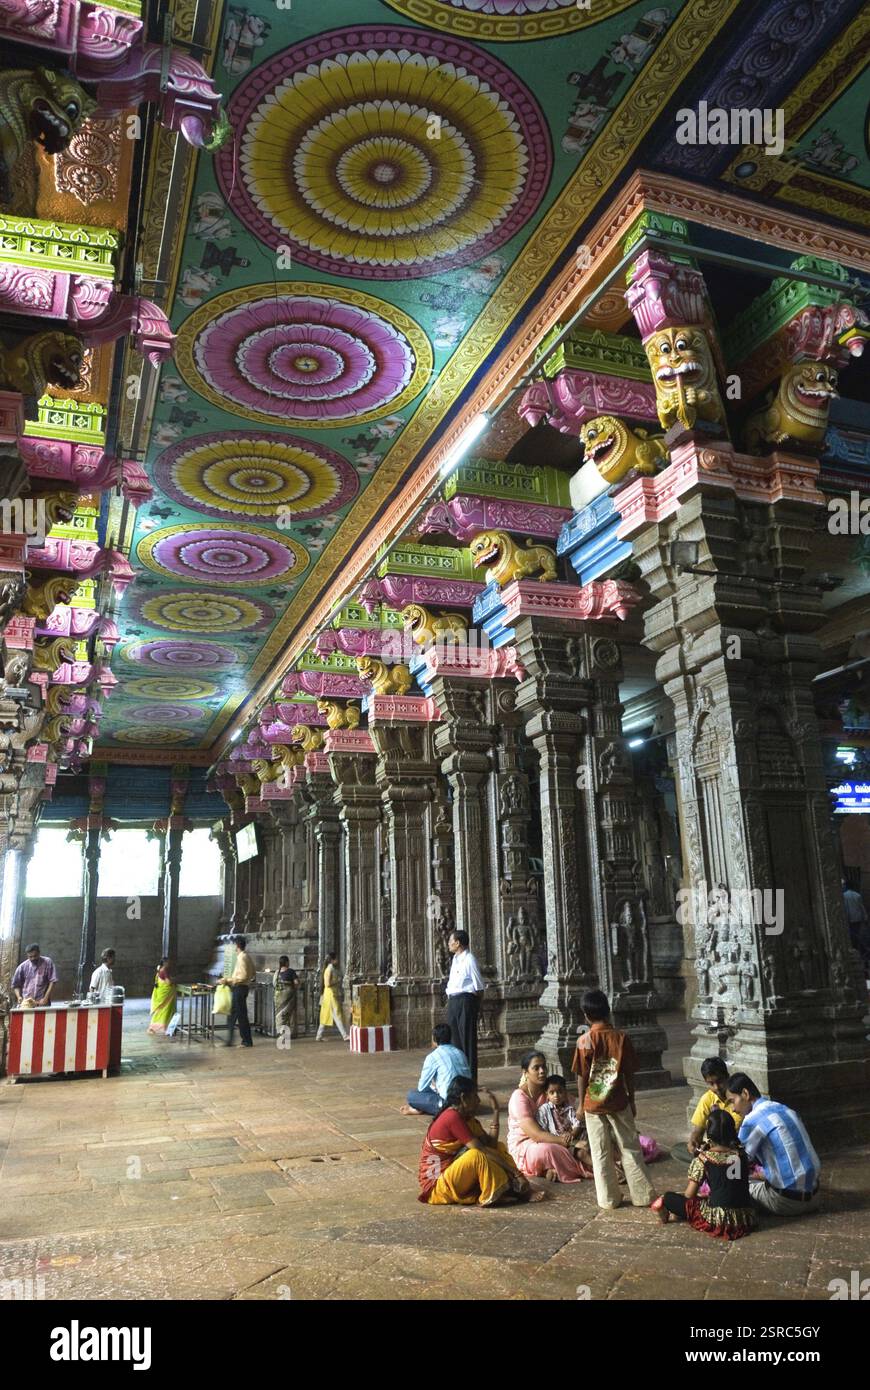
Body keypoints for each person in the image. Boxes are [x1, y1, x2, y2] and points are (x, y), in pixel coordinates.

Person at [572, 989, 655, 1210]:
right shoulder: (621, 1038)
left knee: (600, 1153)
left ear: (586, 1015)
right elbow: (630, 1072)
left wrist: (581, 1104)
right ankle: (643, 1196)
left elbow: (581, 1075)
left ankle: (608, 1199)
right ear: (607, 1011)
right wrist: (633, 1098)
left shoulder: (584, 1041)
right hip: (619, 1100)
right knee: (630, 1148)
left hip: (594, 1103)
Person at [418, 1076, 538, 1207]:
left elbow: (491, 1145)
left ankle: (515, 1188)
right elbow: (482, 1150)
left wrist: (496, 1112)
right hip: (436, 1186)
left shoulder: (466, 1118)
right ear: (463, 1098)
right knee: (476, 1155)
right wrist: (516, 1173)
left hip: (451, 1174)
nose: (479, 1100)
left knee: (498, 1147)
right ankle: (496, 1193)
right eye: (475, 1096)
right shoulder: (452, 1117)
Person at [651, 1108, 757, 1240]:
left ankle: (663, 1205)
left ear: (710, 1134)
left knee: (669, 1197)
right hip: (744, 1218)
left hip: (719, 1219)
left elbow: (689, 1195)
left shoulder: (704, 1159)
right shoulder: (741, 1155)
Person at [726, 1072, 821, 1217]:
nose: (733, 1108)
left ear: (745, 1093)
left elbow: (735, 1166)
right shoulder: (784, 1108)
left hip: (786, 1203)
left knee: (732, 1182)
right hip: (815, 1197)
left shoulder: (751, 1120)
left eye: (733, 1101)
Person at [507, 1051, 591, 1182]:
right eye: (536, 1068)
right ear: (525, 1072)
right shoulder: (519, 1097)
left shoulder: (550, 1089)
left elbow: (573, 1110)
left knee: (594, 1137)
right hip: (528, 1144)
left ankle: (551, 1169)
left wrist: (574, 1132)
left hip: (562, 1135)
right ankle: (587, 1167)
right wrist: (566, 1142)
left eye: (543, 1067)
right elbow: (536, 1134)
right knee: (547, 1150)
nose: (542, 1071)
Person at [401, 1023, 471, 1117]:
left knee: (412, 1096)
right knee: (437, 1087)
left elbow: (422, 1087)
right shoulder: (460, 1052)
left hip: (451, 1105)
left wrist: (435, 1087)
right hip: (469, 1101)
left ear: (434, 1039)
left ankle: (422, 1108)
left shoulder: (433, 1057)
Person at [445, 929, 484, 1082]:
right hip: (454, 1001)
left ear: (458, 943)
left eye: (450, 941)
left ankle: (471, 1079)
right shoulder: (455, 959)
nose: (448, 944)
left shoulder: (469, 959)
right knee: (455, 1041)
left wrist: (476, 1006)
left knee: (467, 1041)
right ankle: (459, 1077)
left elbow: (479, 986)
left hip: (466, 1001)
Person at [687, 1056, 743, 1155]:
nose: (717, 1087)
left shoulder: (739, 1098)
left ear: (727, 1077)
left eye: (720, 1081)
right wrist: (694, 1141)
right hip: (714, 1150)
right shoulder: (707, 1099)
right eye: (711, 1083)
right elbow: (698, 1131)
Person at [219, 935, 256, 1048]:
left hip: (240, 988)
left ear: (237, 946)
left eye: (234, 945)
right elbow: (253, 972)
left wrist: (227, 980)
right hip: (240, 988)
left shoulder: (242, 957)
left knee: (241, 1015)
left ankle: (247, 1041)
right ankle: (230, 1040)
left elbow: (243, 976)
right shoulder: (246, 956)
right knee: (233, 1014)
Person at [11, 944, 57, 1008]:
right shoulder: (22, 967)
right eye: (30, 956)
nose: (33, 958)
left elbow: (52, 981)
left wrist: (46, 997)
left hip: (42, 1001)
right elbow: (15, 985)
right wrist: (19, 997)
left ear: (39, 953)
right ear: (27, 955)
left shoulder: (47, 962)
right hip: (27, 1003)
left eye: (35, 956)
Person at [316, 952, 348, 1041]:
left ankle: (319, 1035)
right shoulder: (329, 969)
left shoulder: (332, 969)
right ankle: (345, 1035)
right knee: (337, 1014)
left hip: (331, 994)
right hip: (330, 995)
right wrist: (337, 981)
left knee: (325, 1015)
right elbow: (327, 984)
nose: (337, 960)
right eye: (336, 958)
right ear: (333, 960)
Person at [842, 878, 870, 972]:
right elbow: (861, 907)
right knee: (858, 935)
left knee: (852, 936)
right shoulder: (857, 895)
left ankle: (856, 952)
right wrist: (865, 917)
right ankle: (860, 952)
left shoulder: (844, 896)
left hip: (850, 920)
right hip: (858, 919)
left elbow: (846, 908)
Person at [147, 958, 177, 1036]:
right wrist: (174, 980)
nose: (169, 964)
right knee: (164, 1011)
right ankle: (158, 1027)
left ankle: (161, 1027)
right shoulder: (164, 971)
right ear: (165, 963)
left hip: (161, 994)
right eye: (168, 962)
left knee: (161, 1012)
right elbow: (168, 982)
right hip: (165, 995)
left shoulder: (160, 970)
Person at [273, 955, 298, 1037]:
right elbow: (296, 982)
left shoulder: (277, 972)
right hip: (289, 995)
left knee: (279, 1013)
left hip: (278, 996)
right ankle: (292, 1033)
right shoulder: (291, 971)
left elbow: (274, 984)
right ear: (287, 962)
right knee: (290, 1013)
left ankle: (280, 1031)